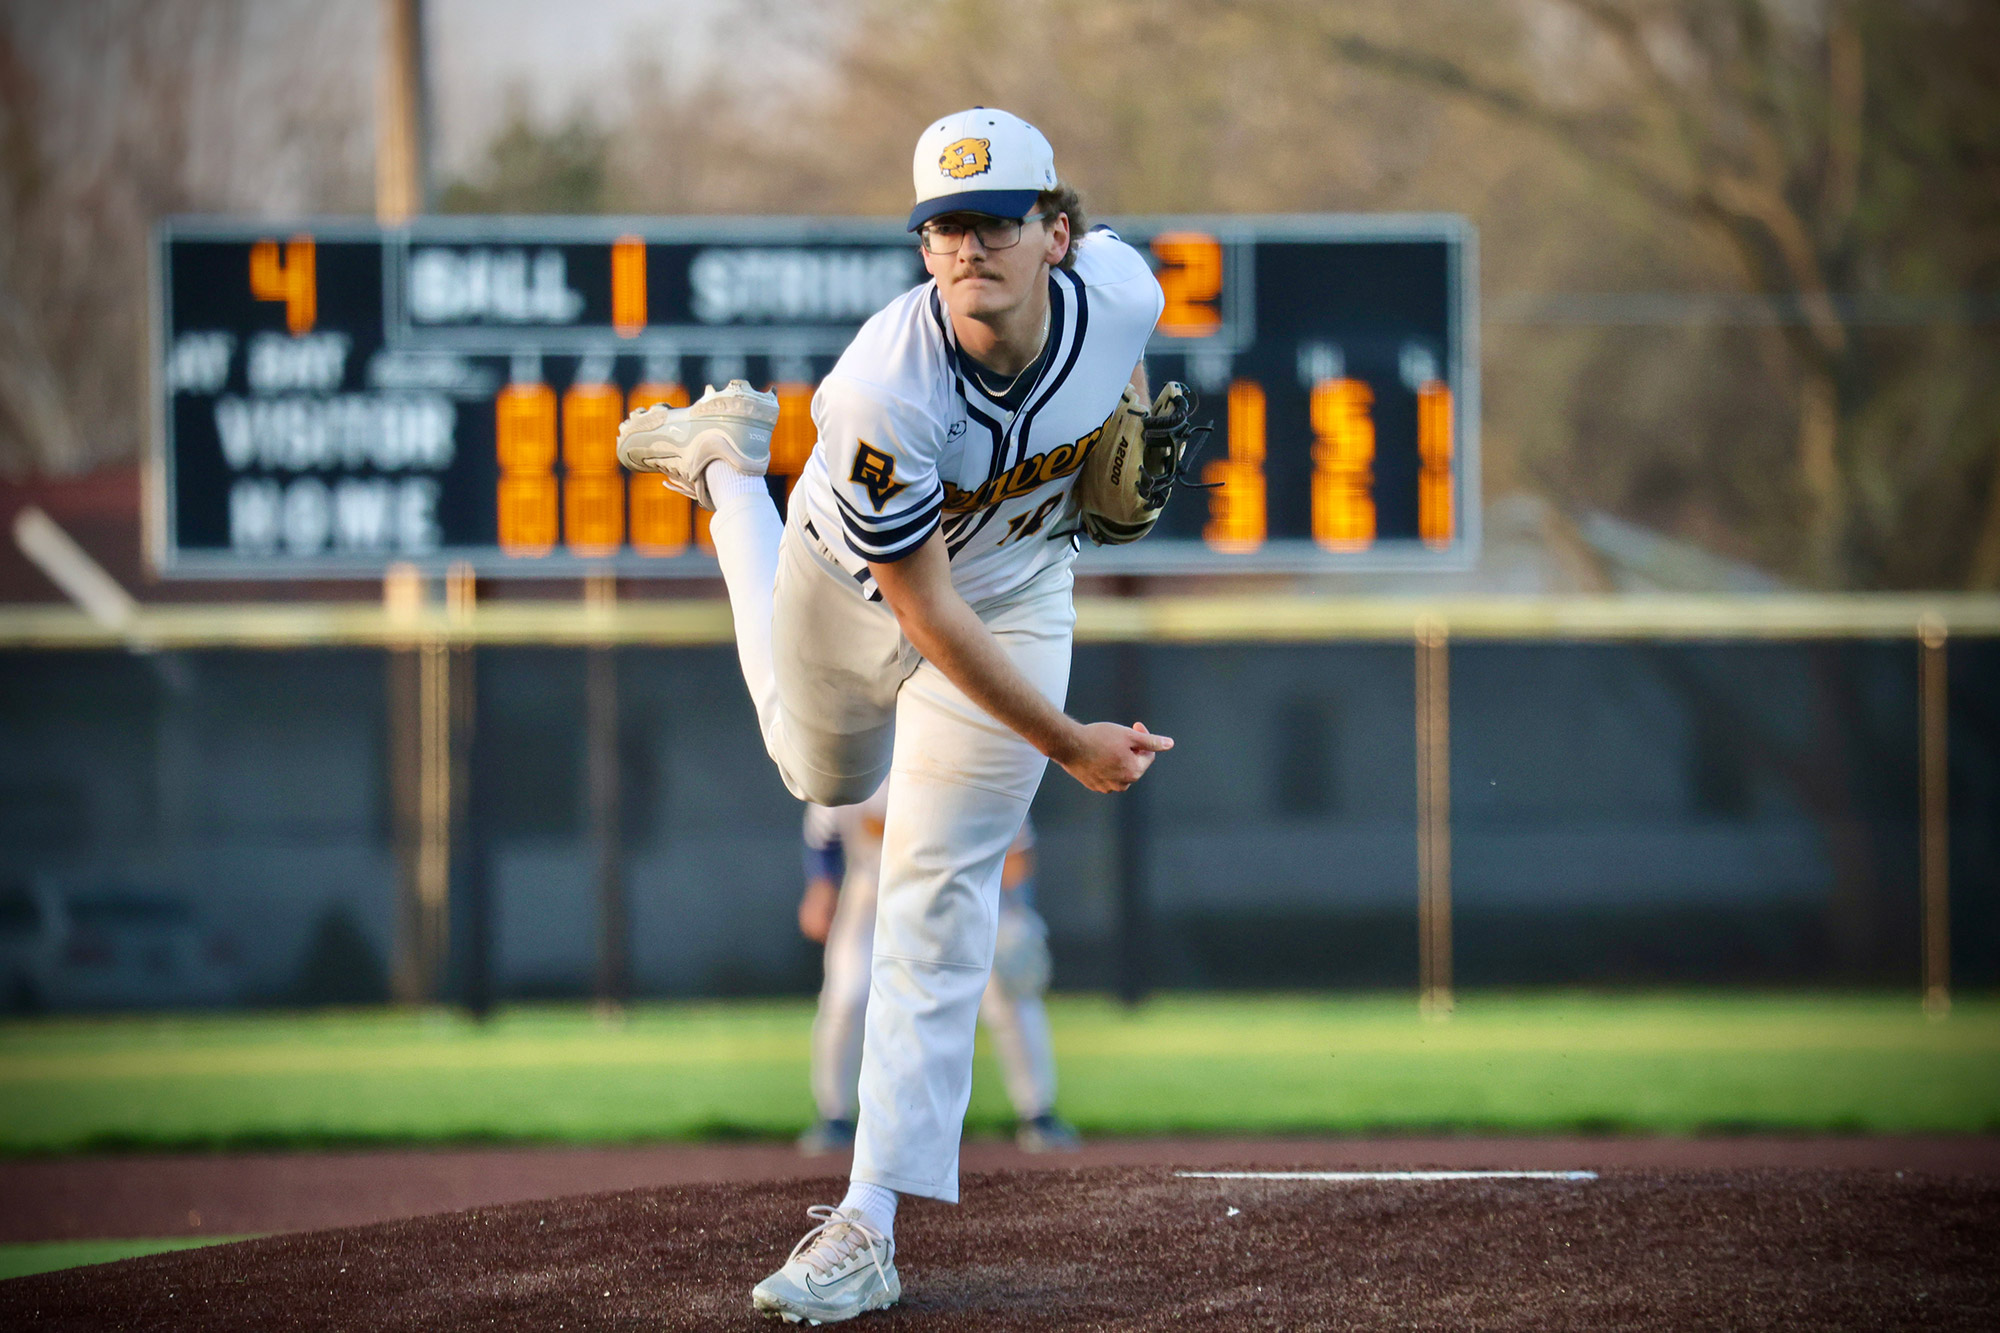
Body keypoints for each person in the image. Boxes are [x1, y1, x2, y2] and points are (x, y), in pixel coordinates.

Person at [618, 106, 1170, 1324]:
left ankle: (864, 1222)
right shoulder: (881, 386)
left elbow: (1129, 326)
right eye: (944, 227)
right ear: (925, 249)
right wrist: (1067, 741)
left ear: (1055, 233)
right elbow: (923, 615)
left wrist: (1124, 404)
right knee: (816, 771)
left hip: (1022, 585)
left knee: (936, 888)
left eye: (996, 222)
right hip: (857, 585)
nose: (968, 246)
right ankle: (725, 471)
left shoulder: (1119, 293)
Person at [797, 783, 1080, 1159]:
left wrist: (1016, 915)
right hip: (875, 886)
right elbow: (824, 837)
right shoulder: (860, 755)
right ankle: (833, 1118)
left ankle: (1039, 1114)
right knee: (847, 994)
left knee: (1011, 994)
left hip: (966, 882)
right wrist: (821, 888)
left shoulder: (972, 750)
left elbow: (1017, 850)